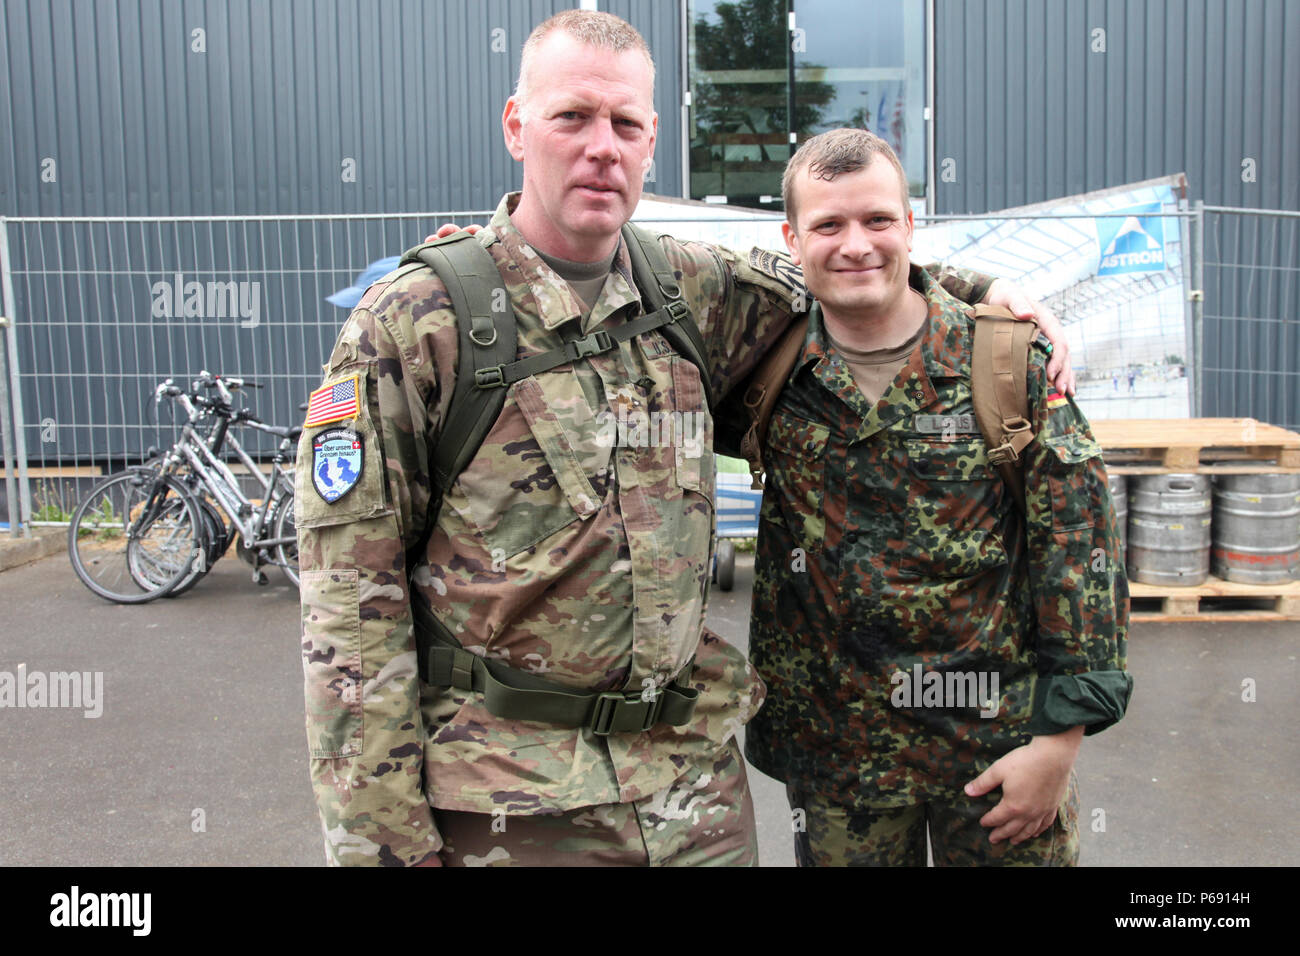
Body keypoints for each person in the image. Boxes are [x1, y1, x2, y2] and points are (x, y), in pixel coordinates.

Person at [296, 10, 1069, 867]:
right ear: (517, 126)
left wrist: (993, 294)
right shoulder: (419, 323)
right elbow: (350, 613)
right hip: (515, 809)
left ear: (652, 139)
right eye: (573, 117)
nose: (603, 146)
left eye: (626, 123)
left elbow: (843, 275)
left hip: (693, 799)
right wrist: (384, 847)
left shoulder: (685, 287)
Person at [736, 128, 1131, 866]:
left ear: (910, 226)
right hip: (839, 763)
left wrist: (1056, 747)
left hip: (993, 751)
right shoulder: (765, 361)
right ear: (793, 238)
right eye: (829, 225)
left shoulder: (1006, 361)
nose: (856, 244)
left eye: (878, 220)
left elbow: (1081, 559)